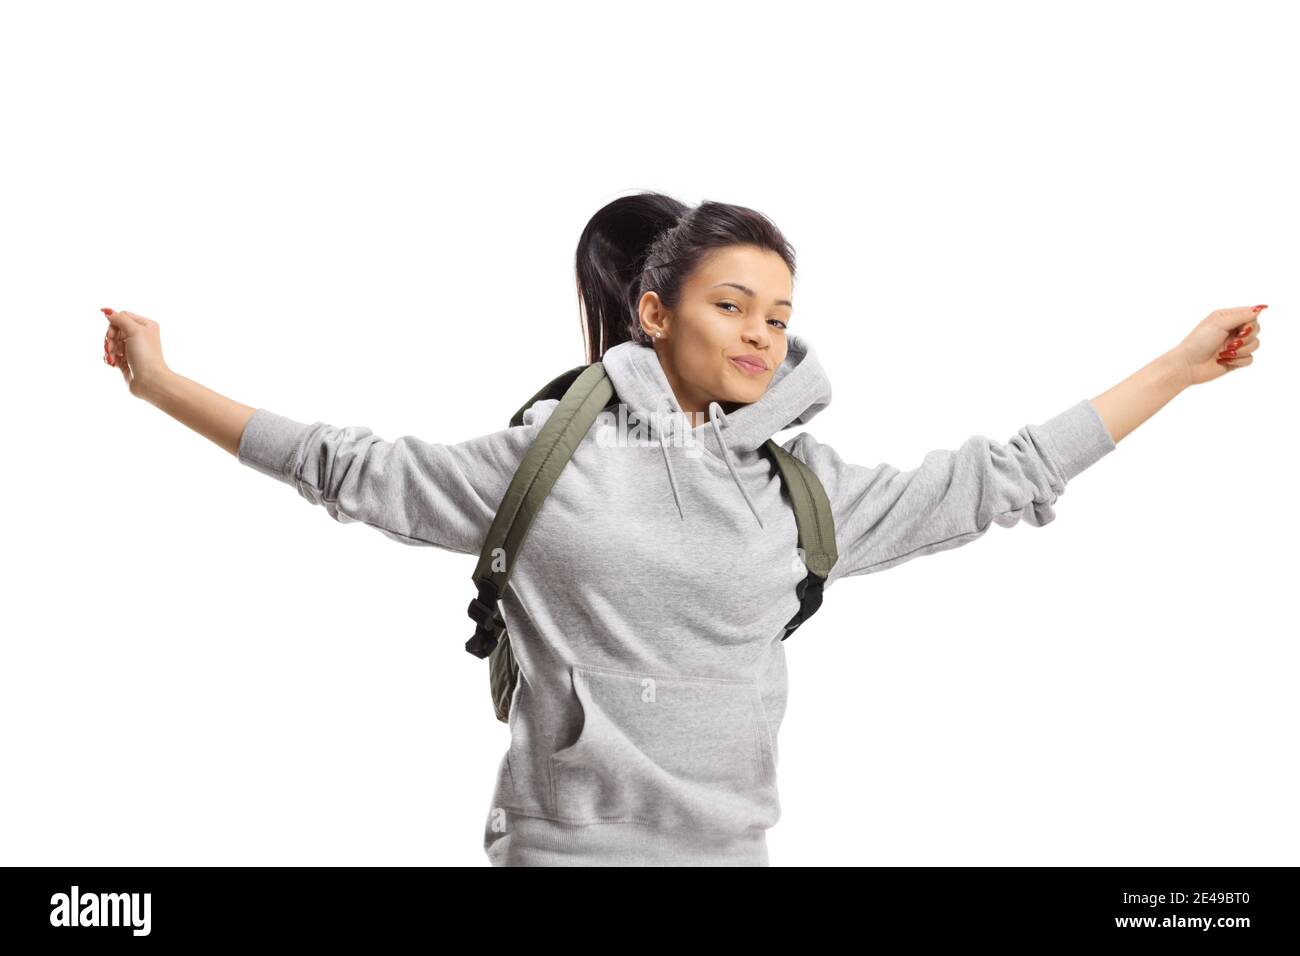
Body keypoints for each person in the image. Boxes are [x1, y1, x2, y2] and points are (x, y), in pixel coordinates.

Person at [98, 192, 1266, 866]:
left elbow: (997, 475)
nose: (760, 334)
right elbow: (340, 464)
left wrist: (1173, 366)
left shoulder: (806, 492)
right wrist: (162, 385)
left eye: (779, 314)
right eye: (728, 304)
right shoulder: (544, 460)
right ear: (651, 313)